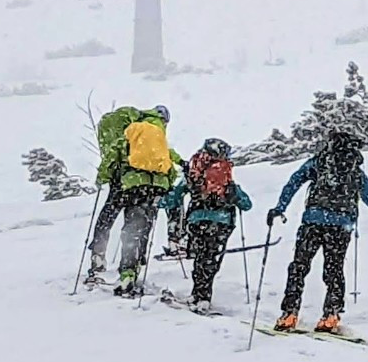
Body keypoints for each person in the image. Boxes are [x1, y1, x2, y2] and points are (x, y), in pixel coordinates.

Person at [269, 130, 368, 333]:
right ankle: (331, 316)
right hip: (341, 226)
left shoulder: (318, 163)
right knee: (334, 269)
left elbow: (293, 182)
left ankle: (289, 314)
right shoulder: (355, 170)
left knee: (299, 267)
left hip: (313, 221)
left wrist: (280, 208)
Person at [87, 104, 179, 296]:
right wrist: (166, 184)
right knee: (139, 226)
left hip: (128, 183)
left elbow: (114, 152)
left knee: (111, 217)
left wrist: (102, 177)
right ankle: (132, 267)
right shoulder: (158, 135)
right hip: (154, 187)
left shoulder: (134, 129)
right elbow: (169, 162)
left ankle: (98, 253)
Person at [158, 138, 252, 314]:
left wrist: (161, 202)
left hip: (196, 221)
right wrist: (233, 196)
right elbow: (246, 204)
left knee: (200, 258)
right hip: (221, 223)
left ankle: (198, 294)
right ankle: (203, 298)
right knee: (209, 259)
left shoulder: (195, 174)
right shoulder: (225, 178)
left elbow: (174, 197)